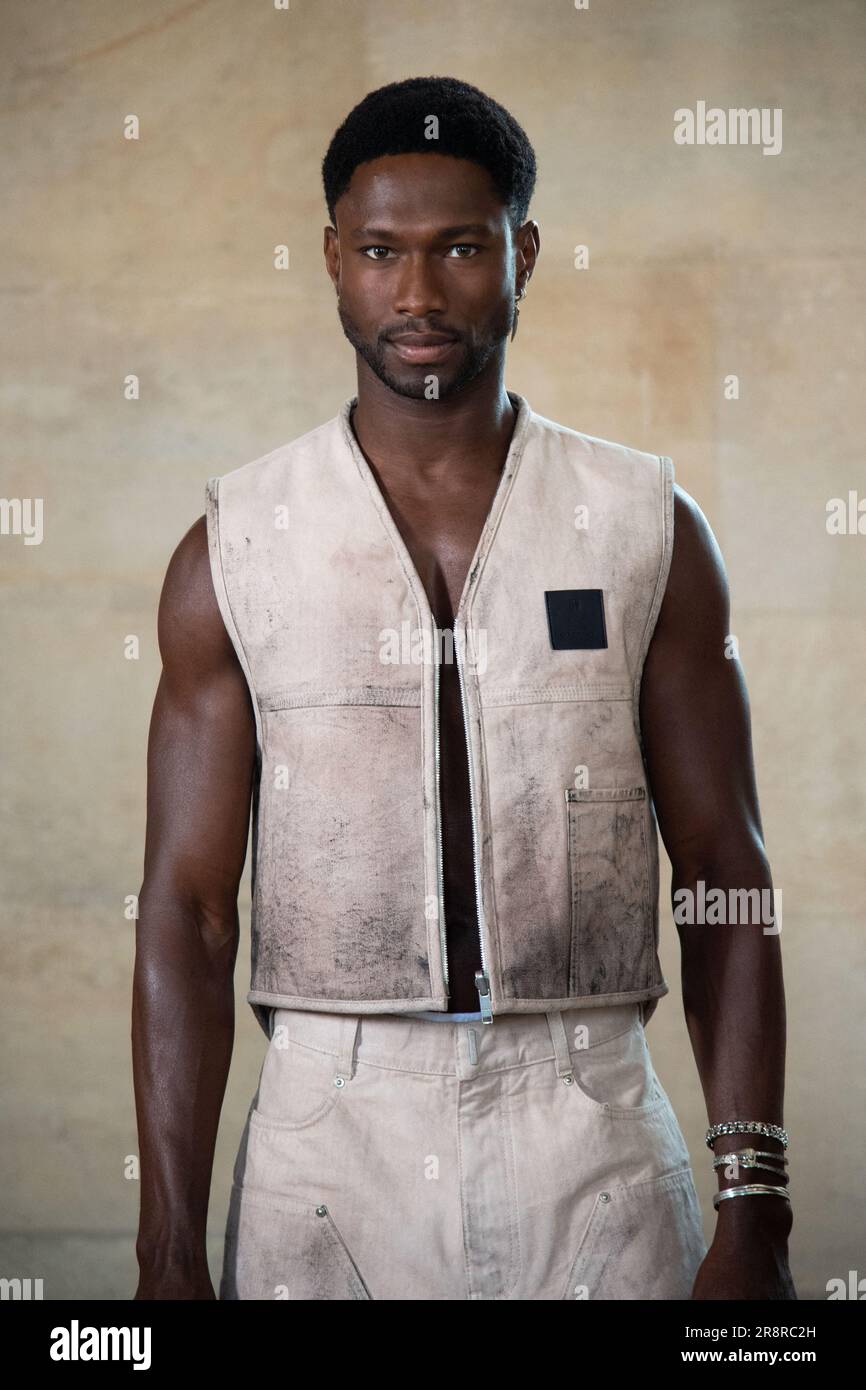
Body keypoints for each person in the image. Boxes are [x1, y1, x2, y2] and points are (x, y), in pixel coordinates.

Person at [132, 76, 795, 1301]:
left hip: (586, 1109)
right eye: (381, 251)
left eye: (460, 250)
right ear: (334, 260)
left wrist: (752, 1199)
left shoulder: (641, 525)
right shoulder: (237, 543)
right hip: (327, 1129)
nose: (419, 294)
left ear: (522, 254)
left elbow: (722, 868)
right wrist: (166, 1251)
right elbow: (187, 908)